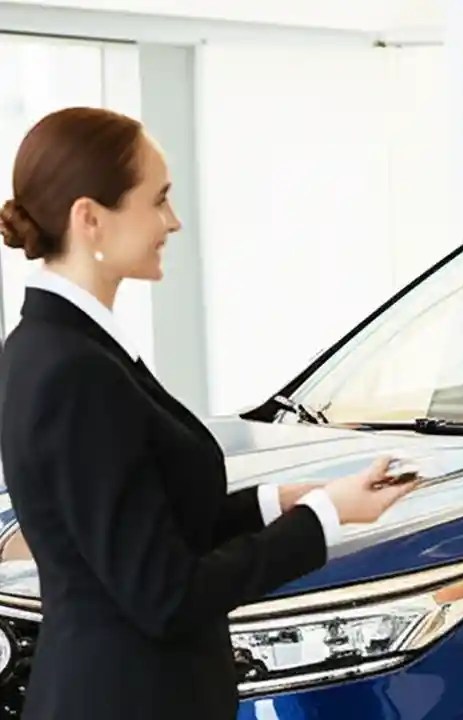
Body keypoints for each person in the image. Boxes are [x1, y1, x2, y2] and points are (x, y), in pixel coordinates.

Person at [0, 106, 418, 720]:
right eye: (158, 200)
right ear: (90, 218)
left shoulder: (62, 348)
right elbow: (166, 593)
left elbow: (146, 523)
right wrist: (324, 520)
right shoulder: (74, 371)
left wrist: (282, 502)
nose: (174, 221)